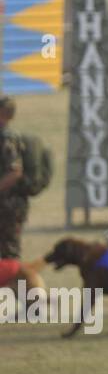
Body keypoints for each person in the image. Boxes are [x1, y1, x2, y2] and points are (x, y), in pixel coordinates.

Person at [0, 97, 28, 259]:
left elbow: (15, 172)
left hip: (9, 206)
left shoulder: (7, 137)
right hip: (7, 204)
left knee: (9, 253)